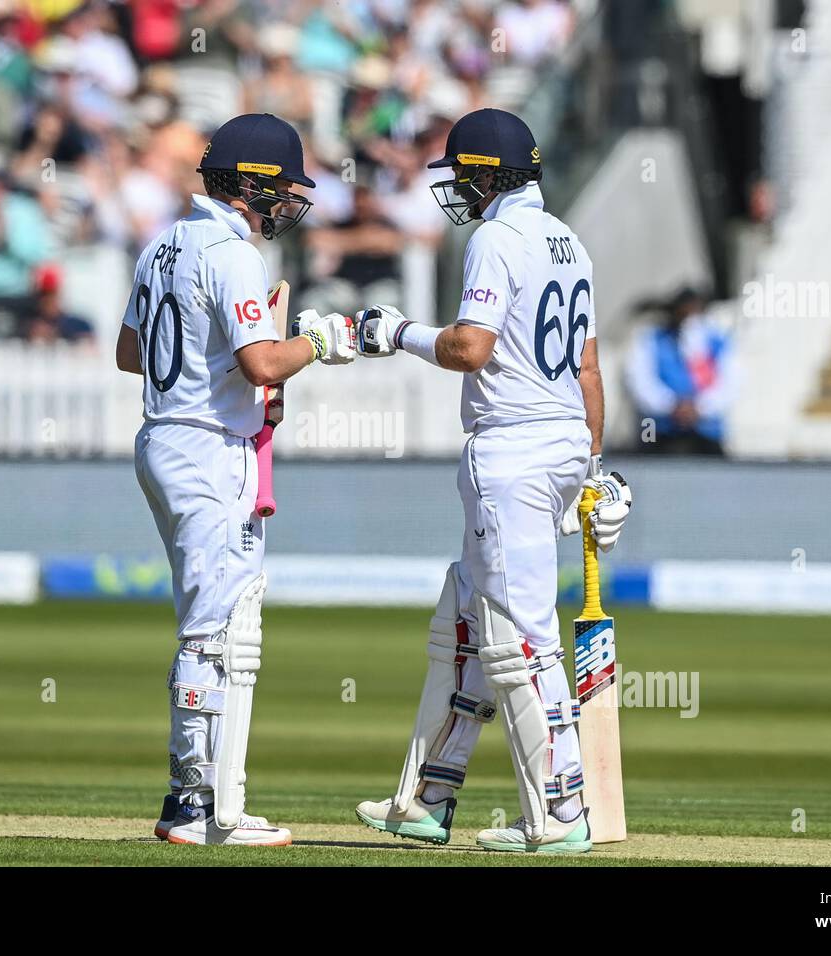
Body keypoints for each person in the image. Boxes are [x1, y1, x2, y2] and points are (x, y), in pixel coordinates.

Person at [350, 109, 632, 854]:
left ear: (485, 174)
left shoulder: (496, 239)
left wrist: (393, 333)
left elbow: (470, 348)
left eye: (462, 174)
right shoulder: (569, 242)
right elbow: (589, 368)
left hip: (512, 451)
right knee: (466, 624)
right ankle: (429, 796)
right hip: (563, 442)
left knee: (522, 640)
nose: (456, 189)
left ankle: (562, 814)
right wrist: (592, 468)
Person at [115, 113, 356, 847]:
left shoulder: (163, 242)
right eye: (282, 188)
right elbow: (262, 365)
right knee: (211, 628)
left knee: (227, 621)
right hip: (207, 448)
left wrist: (219, 363)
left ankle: (219, 800)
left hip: (165, 435)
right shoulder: (231, 252)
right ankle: (190, 804)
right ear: (249, 186)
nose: (289, 202)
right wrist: (317, 341)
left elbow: (131, 353)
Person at [625, 286, 734, 455]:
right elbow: (640, 382)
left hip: (706, 435)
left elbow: (729, 385)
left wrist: (698, 408)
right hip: (659, 432)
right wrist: (672, 406)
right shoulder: (651, 338)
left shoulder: (717, 341)